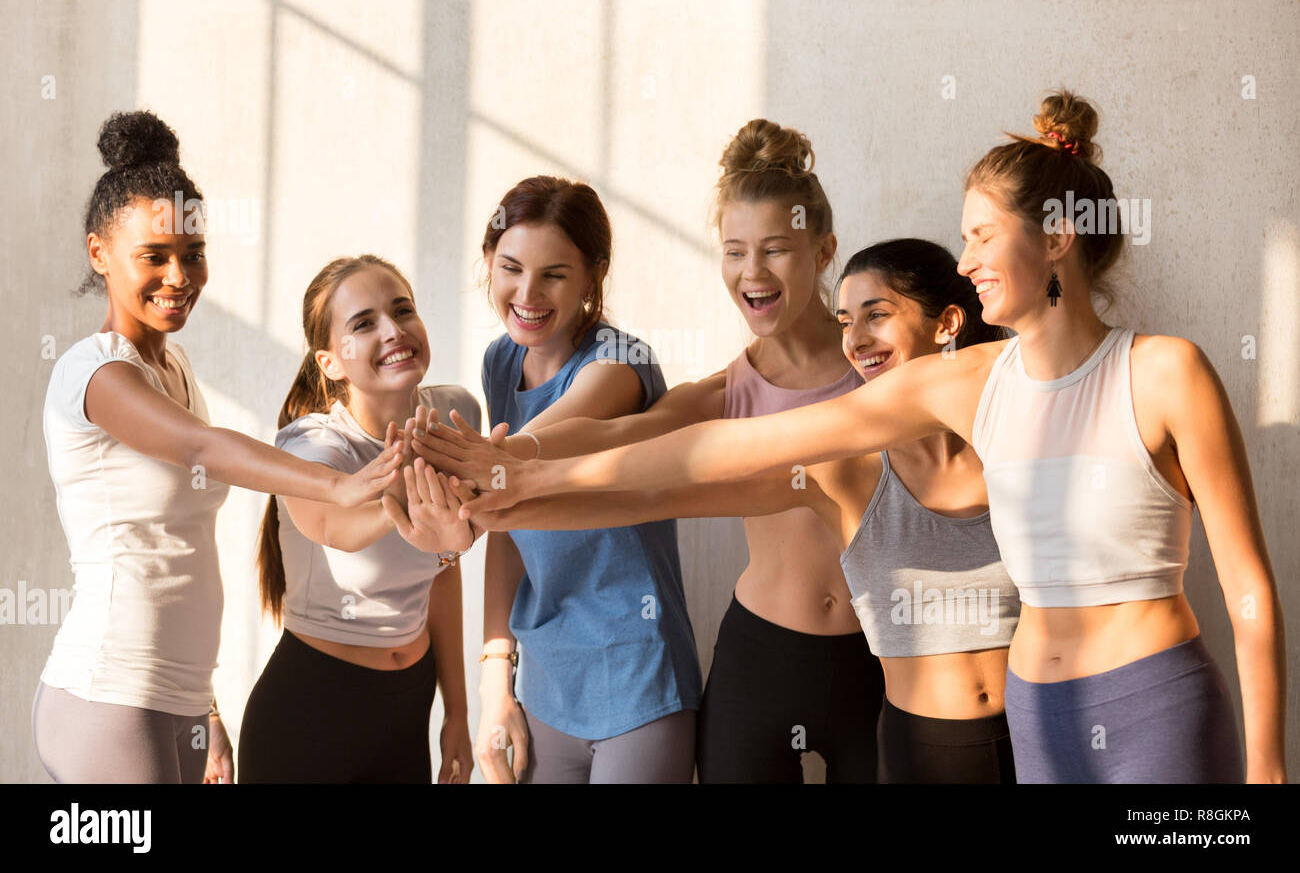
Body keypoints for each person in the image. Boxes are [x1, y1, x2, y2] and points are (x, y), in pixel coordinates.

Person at [447, 91, 1286, 784]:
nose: (970, 258)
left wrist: (1268, 766)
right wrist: (513, 470)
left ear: (1057, 237)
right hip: (1033, 716)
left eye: (983, 237)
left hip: (1139, 702)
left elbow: (1248, 585)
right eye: (965, 238)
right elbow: (715, 458)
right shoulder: (956, 385)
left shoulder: (1153, 372)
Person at [426, 239, 1021, 782]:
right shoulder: (838, 466)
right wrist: (503, 504)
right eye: (846, 320)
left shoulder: (1017, 436)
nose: (856, 339)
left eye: (878, 315)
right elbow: (664, 486)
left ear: (947, 325)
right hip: (915, 745)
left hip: (1028, 732)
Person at [429, 120, 885, 783]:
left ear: (824, 250)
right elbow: (618, 437)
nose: (751, 272)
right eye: (734, 251)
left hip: (875, 657)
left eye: (775, 250)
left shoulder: (882, 370)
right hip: (760, 656)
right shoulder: (727, 391)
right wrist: (509, 459)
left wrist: (503, 468)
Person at [34, 112, 402, 784]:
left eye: (193, 254)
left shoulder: (174, 371)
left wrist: (204, 708)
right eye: (154, 256)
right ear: (99, 254)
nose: (179, 276)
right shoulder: (94, 373)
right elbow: (204, 446)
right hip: (106, 698)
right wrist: (340, 484)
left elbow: (174, 557)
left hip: (175, 702)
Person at [473, 175, 702, 783]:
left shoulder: (623, 361)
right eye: (511, 267)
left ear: (593, 276)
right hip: (545, 680)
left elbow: (560, 432)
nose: (527, 293)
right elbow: (508, 527)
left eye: (554, 274)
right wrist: (496, 678)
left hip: (637, 673)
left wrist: (488, 463)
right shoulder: (501, 361)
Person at [238, 256, 480, 783]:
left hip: (408, 706)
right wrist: (408, 484)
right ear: (329, 362)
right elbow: (335, 528)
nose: (394, 331)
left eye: (403, 311)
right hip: (310, 714)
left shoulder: (457, 414)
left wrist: (457, 711)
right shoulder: (312, 445)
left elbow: (442, 567)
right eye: (364, 323)